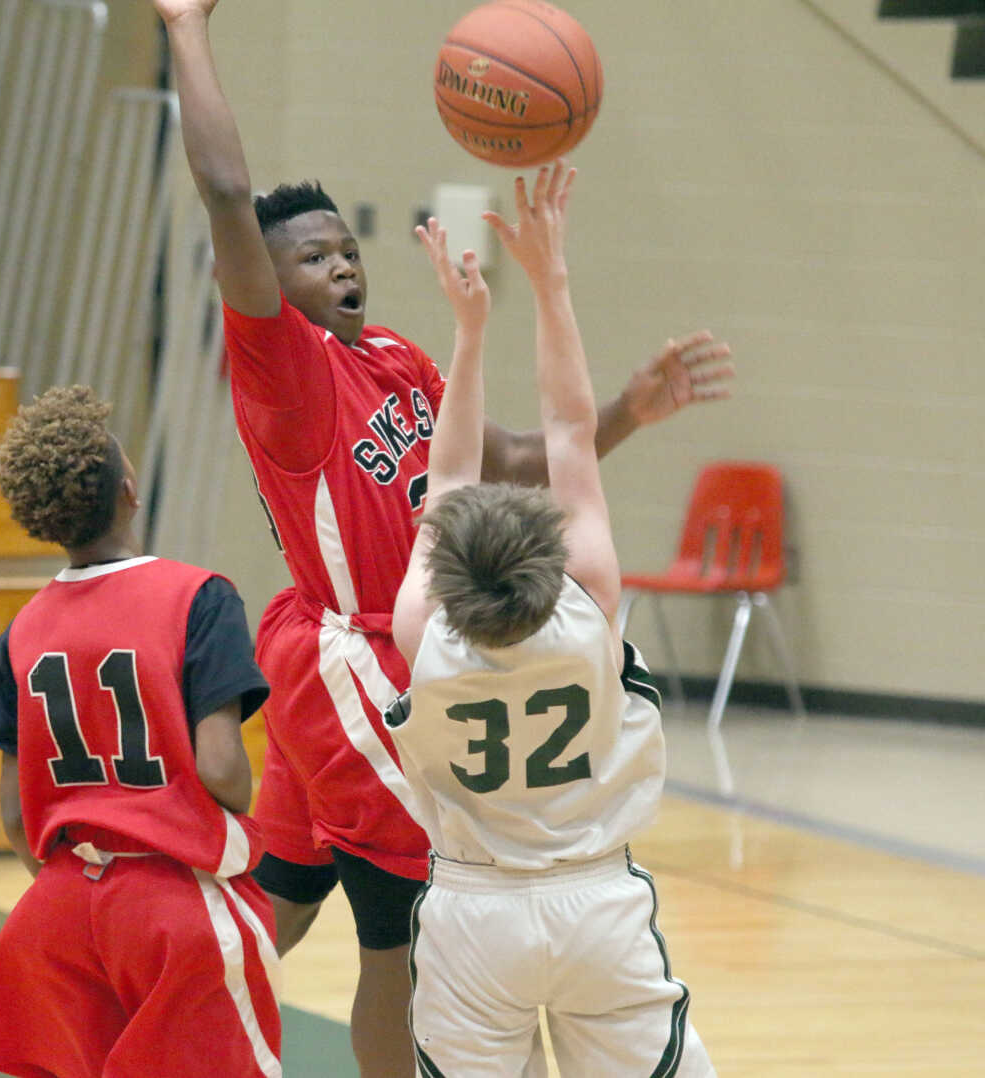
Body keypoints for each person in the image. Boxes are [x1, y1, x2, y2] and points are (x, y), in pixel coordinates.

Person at [153, 1, 735, 1073]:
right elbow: (228, 194)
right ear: (264, 287)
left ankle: (162, 1042)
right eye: (308, 260)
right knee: (405, 929)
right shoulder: (285, 377)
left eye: (341, 251)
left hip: (387, 646)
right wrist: (187, 28)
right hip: (357, 662)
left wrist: (628, 413)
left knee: (281, 901)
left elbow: (508, 457)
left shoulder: (393, 352)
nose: (337, 267)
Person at [390, 162, 714, 1075]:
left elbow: (445, 475)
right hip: (595, 903)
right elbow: (571, 430)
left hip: (472, 912)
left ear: (444, 559)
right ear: (553, 552)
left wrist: (469, 329)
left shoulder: (423, 629)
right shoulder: (589, 604)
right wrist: (549, 279)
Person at [0, 386, 280, 1078]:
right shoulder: (199, 596)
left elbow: (17, 815)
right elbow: (223, 770)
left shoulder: (21, 631)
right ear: (130, 490)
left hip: (55, 911)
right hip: (172, 905)